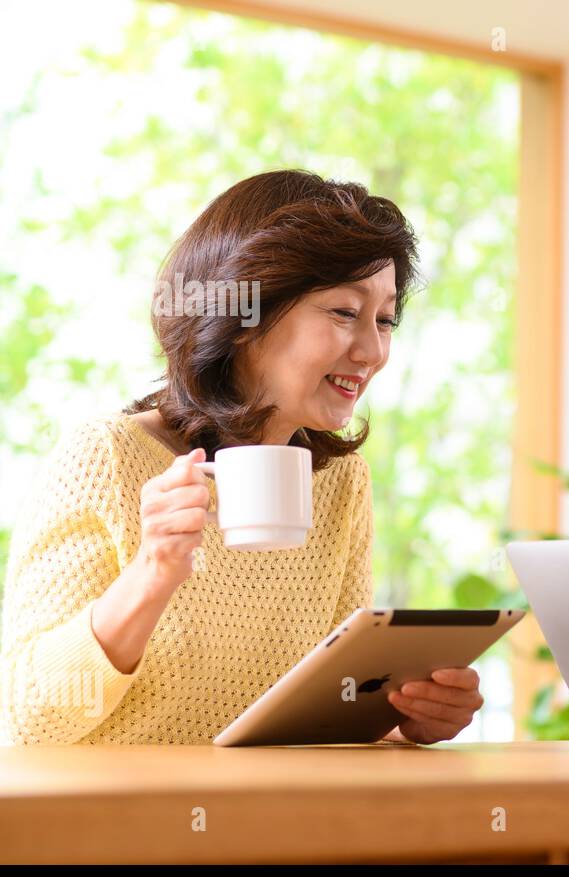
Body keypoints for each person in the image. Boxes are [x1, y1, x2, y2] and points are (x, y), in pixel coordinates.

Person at [1, 170, 484, 745]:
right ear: (242, 317)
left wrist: (409, 721)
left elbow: (326, 720)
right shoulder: (106, 457)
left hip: (270, 828)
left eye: (384, 319)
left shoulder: (340, 483)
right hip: (123, 828)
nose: (373, 351)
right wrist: (151, 577)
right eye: (343, 313)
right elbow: (28, 719)